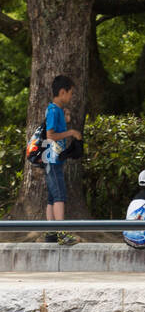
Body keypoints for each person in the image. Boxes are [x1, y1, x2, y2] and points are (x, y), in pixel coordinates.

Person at [41, 75, 81, 246]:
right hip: (52, 159)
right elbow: (50, 135)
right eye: (71, 93)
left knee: (52, 196)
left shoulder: (56, 110)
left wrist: (66, 121)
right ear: (62, 92)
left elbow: (56, 129)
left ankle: (51, 233)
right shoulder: (52, 110)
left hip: (55, 158)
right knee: (59, 195)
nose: (71, 97)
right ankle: (61, 234)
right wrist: (71, 132)